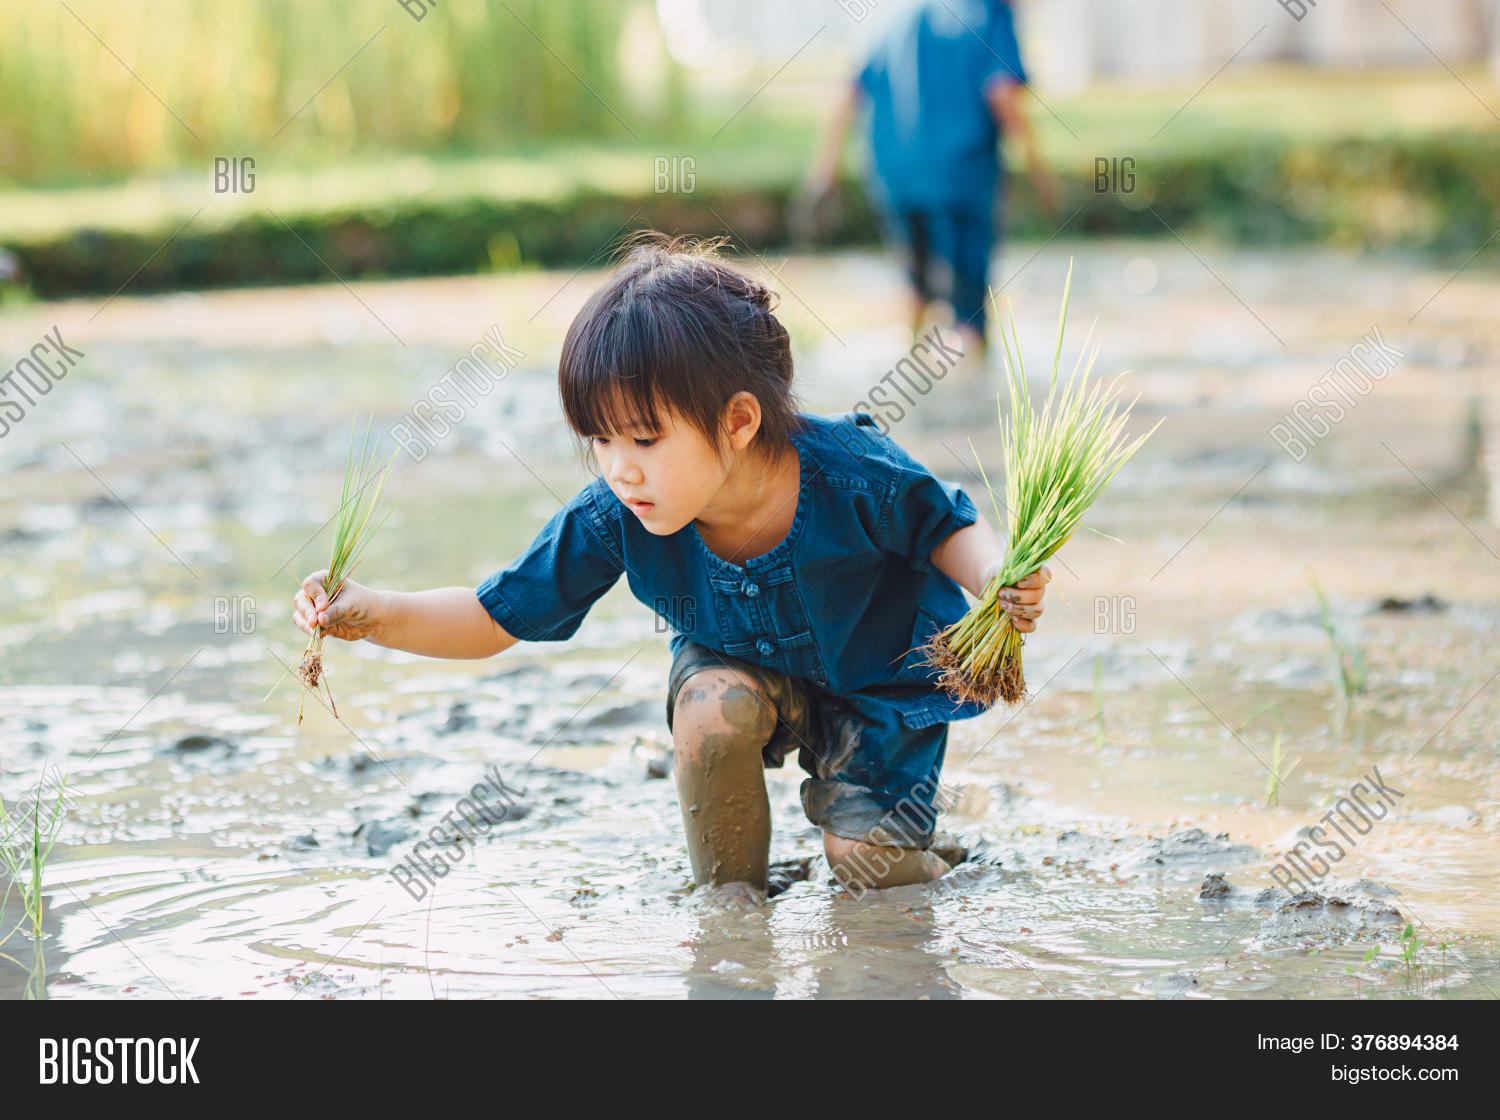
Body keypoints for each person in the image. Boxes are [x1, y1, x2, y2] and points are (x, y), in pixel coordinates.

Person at [292, 234, 1050, 901]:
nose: (620, 470)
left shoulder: (850, 472)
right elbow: (496, 617)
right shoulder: (615, 514)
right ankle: (731, 903)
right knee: (711, 711)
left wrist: (996, 580)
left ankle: (935, 868)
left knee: (867, 875)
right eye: (600, 441)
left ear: (739, 421)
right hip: (744, 677)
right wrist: (376, 612)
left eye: (646, 441)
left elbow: (945, 520)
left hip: (883, 681)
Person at [805, 0, 1057, 365]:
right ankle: (971, 399)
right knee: (967, 306)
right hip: (961, 176)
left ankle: (909, 373)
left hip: (895, 176)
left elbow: (849, 92)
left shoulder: (893, 14)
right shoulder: (991, 13)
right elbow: (1001, 93)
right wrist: (1039, 169)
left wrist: (824, 169)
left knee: (915, 289)